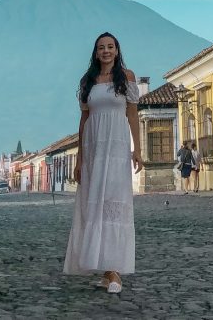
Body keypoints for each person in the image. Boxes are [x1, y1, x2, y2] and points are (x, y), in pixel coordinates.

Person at [63, 31, 142, 295]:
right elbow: (84, 120)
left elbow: (132, 115)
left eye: (110, 47)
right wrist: (79, 158)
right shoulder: (88, 81)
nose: (106, 51)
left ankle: (115, 269)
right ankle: (106, 271)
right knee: (94, 205)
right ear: (96, 53)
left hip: (117, 148)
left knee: (114, 204)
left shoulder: (127, 77)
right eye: (101, 47)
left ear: (117, 51)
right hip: (93, 149)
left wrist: (137, 150)